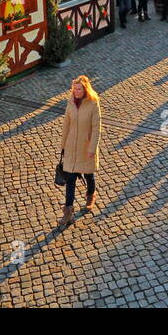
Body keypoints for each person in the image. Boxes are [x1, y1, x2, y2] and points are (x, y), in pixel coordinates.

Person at [57, 75, 102, 228]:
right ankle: (68, 212)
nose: (76, 92)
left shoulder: (93, 104)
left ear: (85, 89)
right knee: (70, 180)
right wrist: (63, 145)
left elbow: (96, 129)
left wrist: (92, 149)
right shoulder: (70, 103)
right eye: (74, 89)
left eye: (79, 89)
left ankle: (91, 195)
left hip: (86, 147)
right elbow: (66, 125)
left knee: (89, 175)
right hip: (71, 147)